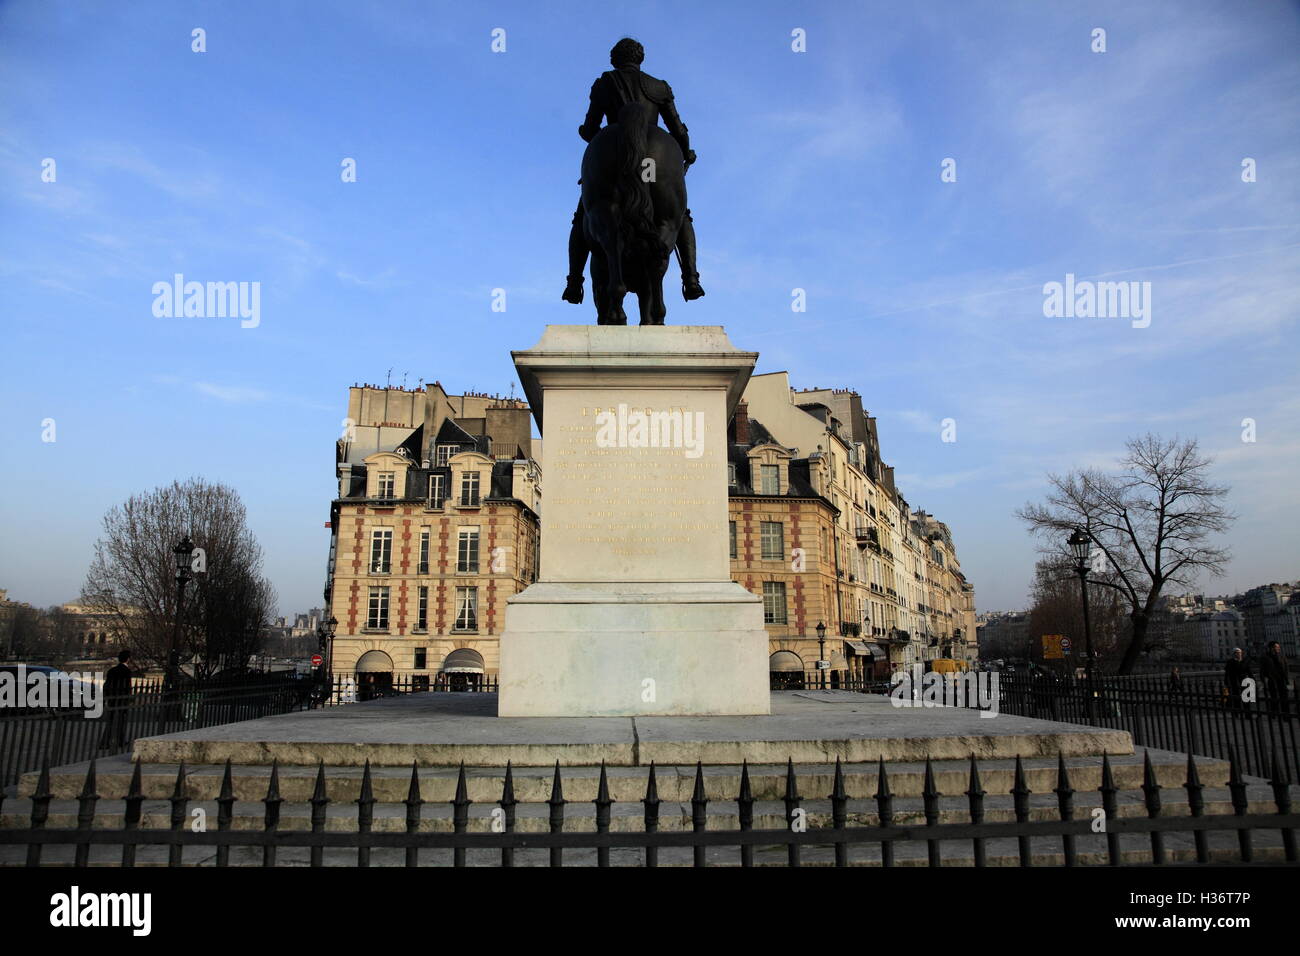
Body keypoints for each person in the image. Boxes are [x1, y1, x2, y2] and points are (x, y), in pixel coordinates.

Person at [563, 37, 705, 305]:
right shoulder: (659, 86)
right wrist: (686, 153)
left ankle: (573, 281)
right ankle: (691, 278)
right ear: (640, 59)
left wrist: (591, 139)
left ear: (615, 59)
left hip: (613, 163)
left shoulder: (604, 83)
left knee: (585, 213)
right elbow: (678, 129)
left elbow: (591, 129)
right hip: (651, 166)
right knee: (679, 214)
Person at [99, 648, 134, 752]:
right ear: (128, 659)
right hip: (122, 699)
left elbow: (107, 685)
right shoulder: (127, 671)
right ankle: (120, 740)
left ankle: (105, 742)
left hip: (112, 699)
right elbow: (127, 687)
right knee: (122, 721)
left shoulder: (112, 670)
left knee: (111, 721)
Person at [1260, 641, 1292, 714]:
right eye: (1276, 647)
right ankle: (1275, 713)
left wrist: (1287, 679)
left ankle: (1285, 714)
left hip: (1282, 680)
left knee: (1284, 698)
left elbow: (1286, 668)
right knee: (1274, 697)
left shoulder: (1282, 656)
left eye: (1278, 647)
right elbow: (1262, 670)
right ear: (1271, 648)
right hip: (1272, 680)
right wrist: (1264, 681)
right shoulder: (1265, 657)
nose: (1278, 648)